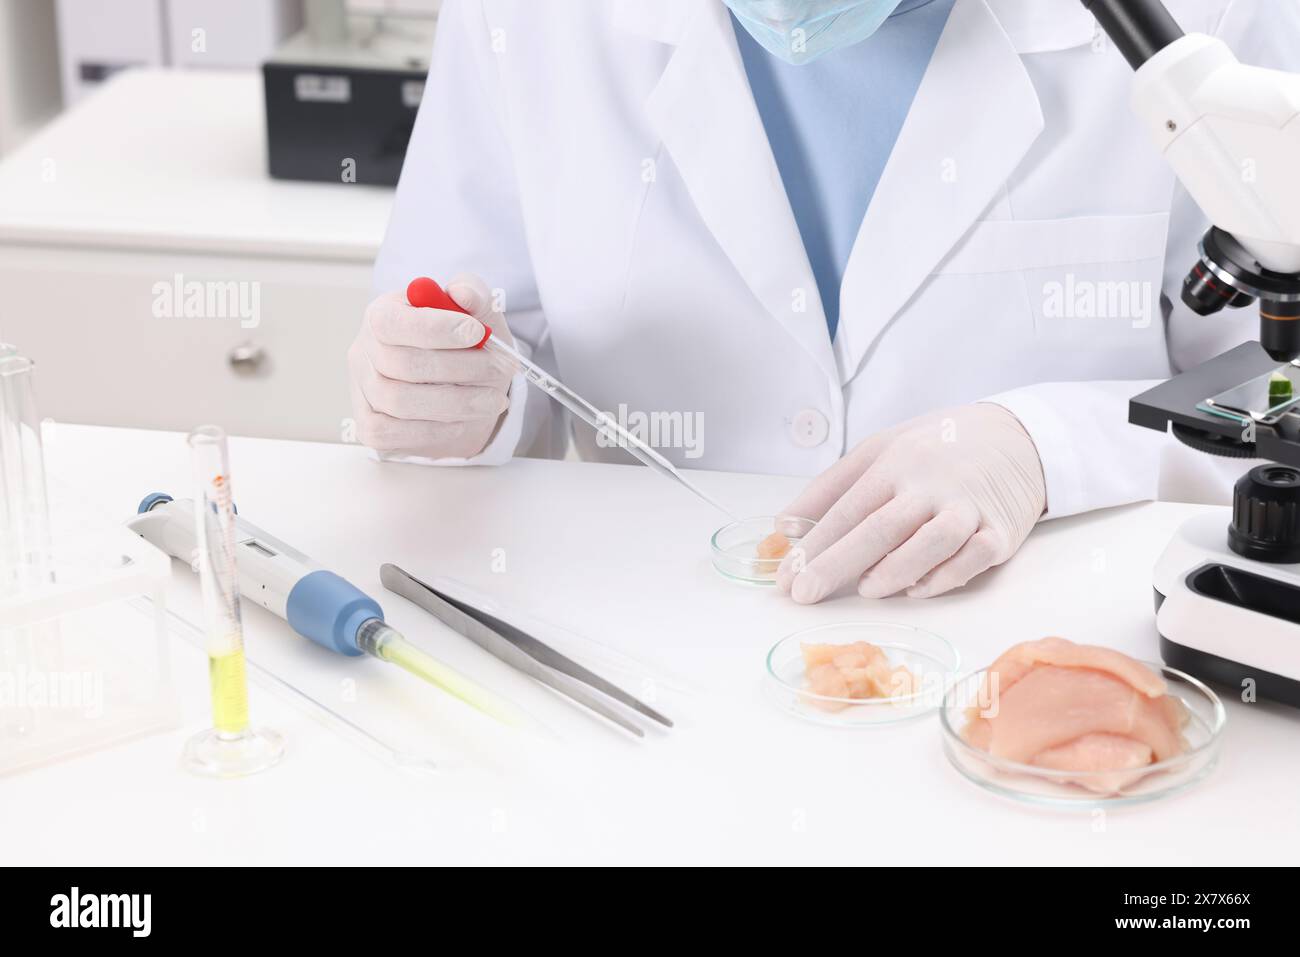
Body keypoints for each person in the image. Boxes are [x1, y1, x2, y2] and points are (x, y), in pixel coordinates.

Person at [349, 0, 1297, 602]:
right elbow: (487, 338)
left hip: (1050, 681)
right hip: (655, 650)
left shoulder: (1223, 18)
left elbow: (1277, 384)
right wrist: (459, 398)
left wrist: (1044, 449)